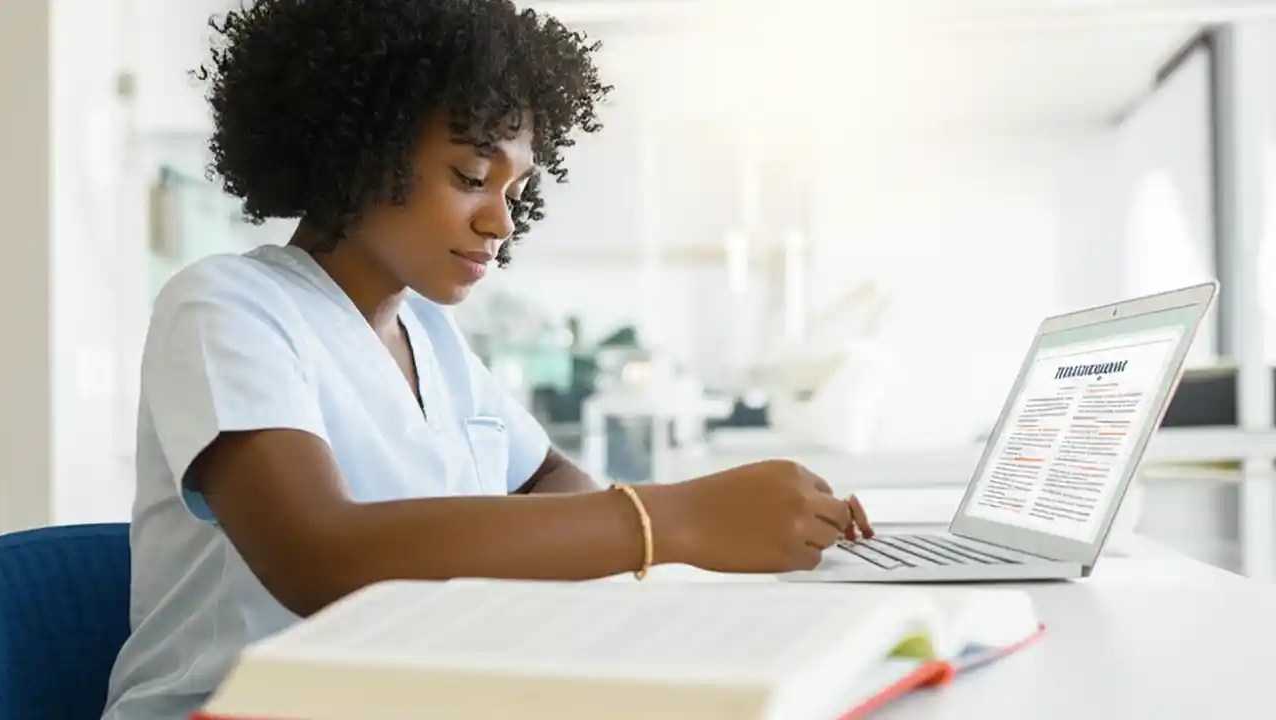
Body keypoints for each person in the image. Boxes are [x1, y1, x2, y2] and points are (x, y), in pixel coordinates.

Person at [102, 1, 873, 718]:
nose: (501, 220)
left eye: (516, 188)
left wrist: (717, 524)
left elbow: (551, 481)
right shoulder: (227, 306)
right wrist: (671, 519)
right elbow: (320, 557)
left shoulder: (432, 339)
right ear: (358, 149)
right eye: (472, 178)